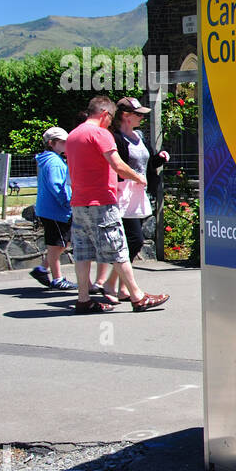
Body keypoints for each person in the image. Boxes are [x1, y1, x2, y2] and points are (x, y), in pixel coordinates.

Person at [64, 96, 169, 314]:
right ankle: (137, 297)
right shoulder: (100, 133)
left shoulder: (73, 135)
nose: (110, 123)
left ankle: (83, 299)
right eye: (110, 118)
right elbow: (118, 164)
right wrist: (137, 177)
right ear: (104, 114)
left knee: (83, 253)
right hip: (101, 200)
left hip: (79, 202)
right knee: (119, 249)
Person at [96, 96, 167, 302]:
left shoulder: (138, 136)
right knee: (134, 240)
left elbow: (145, 163)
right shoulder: (115, 138)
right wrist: (132, 178)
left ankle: (120, 287)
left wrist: (159, 158)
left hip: (138, 193)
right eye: (138, 114)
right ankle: (112, 285)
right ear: (126, 116)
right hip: (122, 193)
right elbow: (115, 166)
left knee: (130, 241)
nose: (141, 118)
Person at [30, 127, 75, 290]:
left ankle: (42, 269)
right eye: (63, 142)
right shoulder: (54, 162)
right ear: (51, 143)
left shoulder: (49, 159)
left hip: (50, 209)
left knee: (61, 243)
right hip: (56, 210)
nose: (66, 145)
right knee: (57, 245)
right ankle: (57, 279)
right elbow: (57, 186)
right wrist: (67, 202)